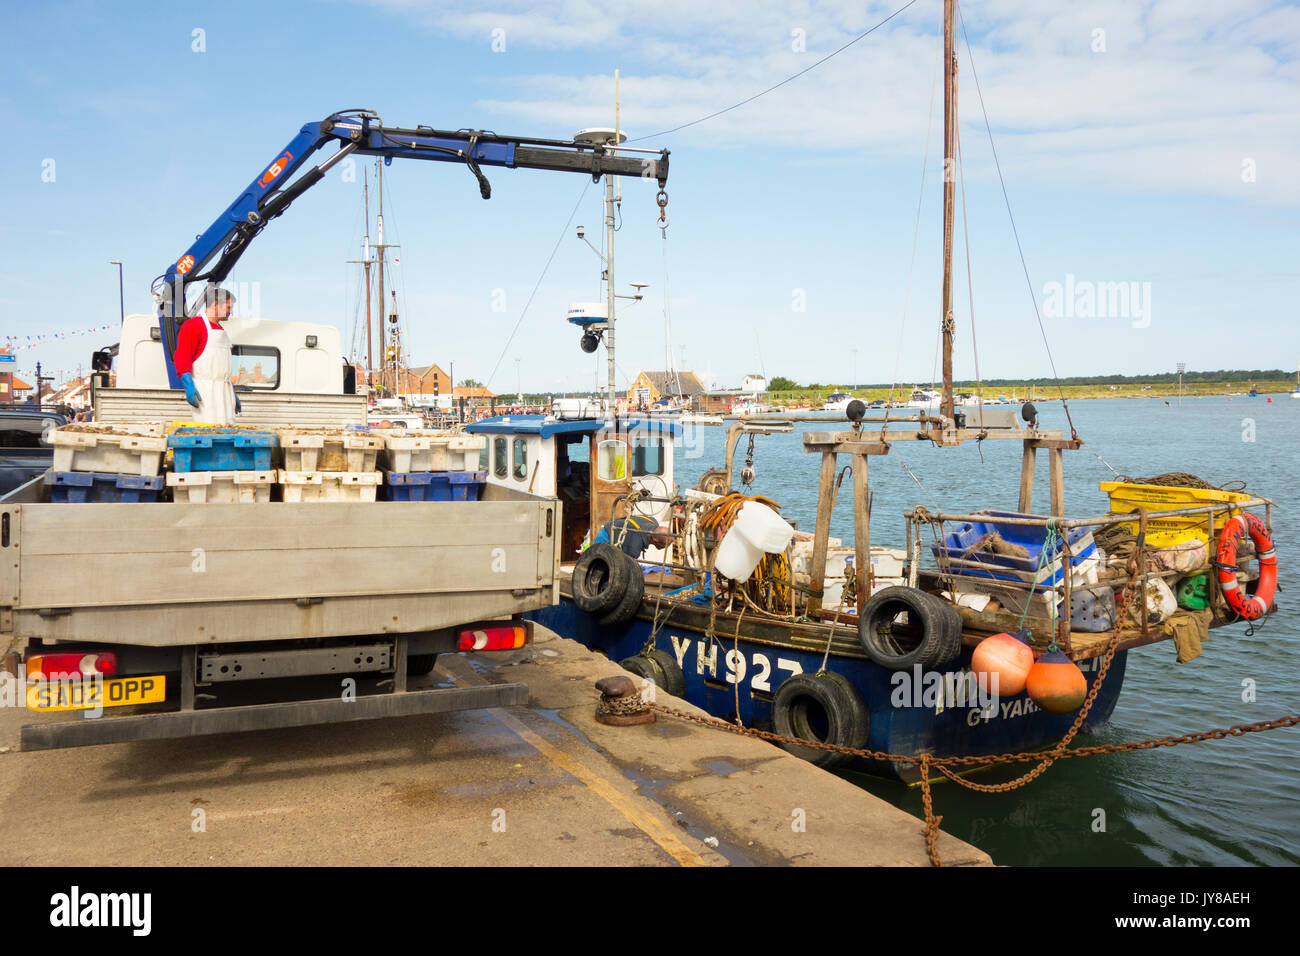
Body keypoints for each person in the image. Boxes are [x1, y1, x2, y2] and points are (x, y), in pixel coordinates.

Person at [173, 286, 240, 425]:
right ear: (216, 305)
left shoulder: (222, 331)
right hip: (205, 392)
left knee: (228, 431)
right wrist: (189, 385)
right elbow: (182, 358)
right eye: (228, 307)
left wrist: (231, 392)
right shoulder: (193, 326)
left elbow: (223, 366)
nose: (231, 312)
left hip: (224, 392)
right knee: (208, 430)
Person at [593, 514, 670, 559]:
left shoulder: (653, 521)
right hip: (606, 536)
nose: (666, 547)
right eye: (665, 544)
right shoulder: (635, 546)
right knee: (605, 566)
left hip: (616, 529)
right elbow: (626, 564)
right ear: (655, 539)